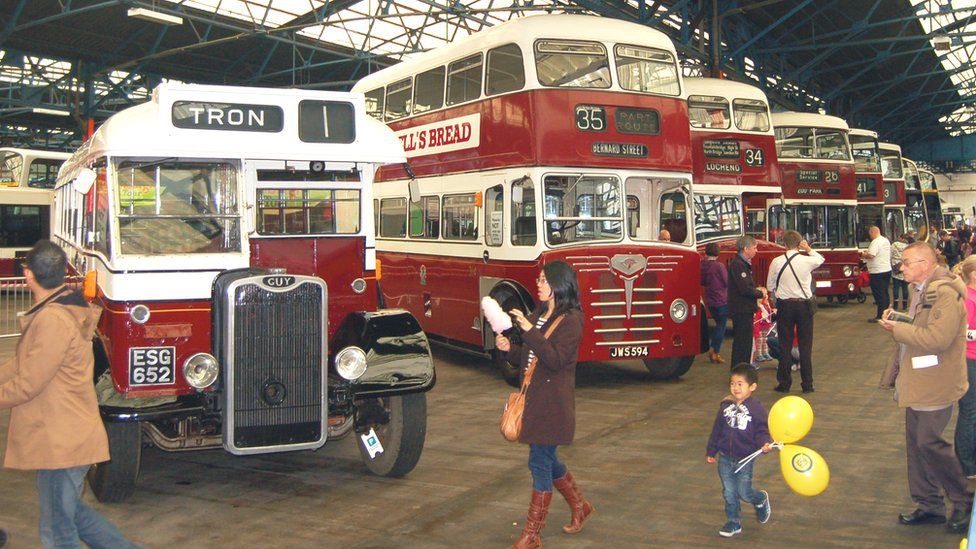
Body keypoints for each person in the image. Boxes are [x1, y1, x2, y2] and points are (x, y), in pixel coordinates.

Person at [0, 241, 137, 548]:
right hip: (63, 436)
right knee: (72, 514)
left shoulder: (53, 320)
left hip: (62, 441)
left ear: (28, 274)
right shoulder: (60, 308)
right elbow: (23, 364)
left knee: (58, 528)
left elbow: (27, 383)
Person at [878, 241, 971, 533]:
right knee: (916, 445)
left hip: (936, 382)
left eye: (906, 262)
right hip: (918, 380)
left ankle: (963, 499)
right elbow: (923, 325)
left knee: (928, 442)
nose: (901, 267)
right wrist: (902, 319)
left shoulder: (943, 294)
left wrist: (899, 329)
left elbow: (937, 339)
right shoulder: (919, 289)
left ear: (924, 265)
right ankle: (929, 505)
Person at [496, 260, 590, 548]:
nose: (538, 284)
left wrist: (528, 330)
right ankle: (580, 505)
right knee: (546, 460)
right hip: (535, 401)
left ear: (558, 285)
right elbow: (532, 355)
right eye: (538, 279)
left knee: (539, 462)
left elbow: (555, 359)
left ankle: (532, 534)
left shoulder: (571, 319)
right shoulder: (540, 312)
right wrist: (511, 350)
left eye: (543, 280)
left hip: (553, 405)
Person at [706, 364, 772, 538]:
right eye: (732, 383)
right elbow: (717, 429)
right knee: (729, 492)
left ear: (752, 387)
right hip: (725, 458)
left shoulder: (756, 409)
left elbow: (761, 431)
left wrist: (765, 443)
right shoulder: (725, 406)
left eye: (740, 384)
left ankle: (760, 499)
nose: (735, 387)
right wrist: (711, 450)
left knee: (744, 492)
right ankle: (733, 522)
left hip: (745, 458)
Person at [766, 230, 824, 393]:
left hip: (785, 306)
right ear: (799, 244)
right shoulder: (806, 261)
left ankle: (784, 383)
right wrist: (808, 249)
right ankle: (807, 384)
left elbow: (770, 286)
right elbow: (821, 259)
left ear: (783, 244)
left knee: (785, 344)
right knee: (805, 346)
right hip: (804, 306)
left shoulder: (776, 262)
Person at [727, 236, 766, 369]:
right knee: (742, 342)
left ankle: (742, 367)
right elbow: (744, 289)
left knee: (745, 341)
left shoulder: (742, 264)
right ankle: (739, 369)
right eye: (754, 248)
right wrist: (760, 293)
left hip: (745, 309)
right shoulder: (738, 265)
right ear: (746, 249)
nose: (756, 251)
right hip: (741, 309)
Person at [955, 256, 976, 479]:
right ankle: (966, 463)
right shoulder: (968, 300)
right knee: (969, 412)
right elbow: (963, 332)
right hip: (970, 361)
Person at [701, 242, 728, 364]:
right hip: (721, 299)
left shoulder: (703, 265)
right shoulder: (720, 266)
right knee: (721, 326)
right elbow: (726, 281)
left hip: (710, 300)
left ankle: (713, 349)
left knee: (718, 325)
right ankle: (714, 350)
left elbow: (702, 281)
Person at [860, 226, 892, 321]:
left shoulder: (875, 242)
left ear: (873, 232)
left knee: (879, 294)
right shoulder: (885, 240)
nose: (869, 235)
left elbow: (871, 255)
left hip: (877, 271)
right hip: (886, 269)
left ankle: (880, 316)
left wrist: (863, 254)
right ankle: (887, 313)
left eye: (870, 233)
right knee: (885, 293)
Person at [890, 233, 913, 311]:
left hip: (896, 267)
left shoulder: (893, 245)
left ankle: (895, 305)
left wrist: (892, 264)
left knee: (896, 287)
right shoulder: (908, 247)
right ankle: (905, 305)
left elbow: (890, 256)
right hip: (905, 267)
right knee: (905, 287)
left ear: (900, 237)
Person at [752, 295, 775, 365]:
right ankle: (758, 354)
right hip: (760, 327)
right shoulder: (759, 307)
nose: (767, 297)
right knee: (759, 341)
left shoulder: (767, 305)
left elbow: (770, 314)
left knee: (765, 340)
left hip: (766, 326)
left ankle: (765, 352)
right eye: (765, 296)